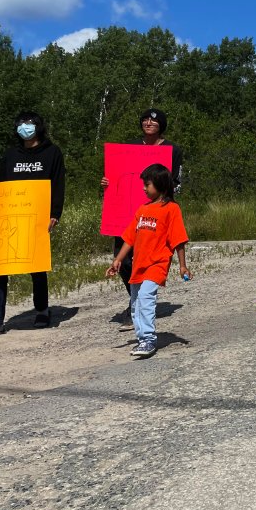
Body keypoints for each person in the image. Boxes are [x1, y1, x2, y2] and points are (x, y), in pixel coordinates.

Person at [0, 111, 65, 337]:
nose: (25, 127)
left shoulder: (52, 153)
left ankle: (42, 311)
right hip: (8, 215)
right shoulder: (10, 155)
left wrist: (55, 213)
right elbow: (0, 187)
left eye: (30, 123)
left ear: (39, 126)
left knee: (37, 266)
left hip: (37, 217)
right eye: (21, 124)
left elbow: (57, 184)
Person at [101, 108, 184, 331]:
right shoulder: (130, 146)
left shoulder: (172, 149)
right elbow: (118, 173)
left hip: (155, 211)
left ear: (161, 125)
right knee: (123, 258)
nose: (149, 123)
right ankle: (134, 298)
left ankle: (140, 302)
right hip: (125, 211)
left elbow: (175, 179)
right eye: (145, 119)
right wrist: (108, 183)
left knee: (148, 257)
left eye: (154, 120)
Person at [107, 164, 191, 358]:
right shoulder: (142, 209)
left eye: (147, 184)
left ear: (160, 184)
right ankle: (142, 337)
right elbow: (129, 238)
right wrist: (118, 260)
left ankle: (148, 339)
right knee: (136, 303)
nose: (144, 188)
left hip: (157, 263)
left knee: (145, 298)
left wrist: (183, 265)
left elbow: (178, 239)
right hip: (139, 264)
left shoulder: (171, 209)